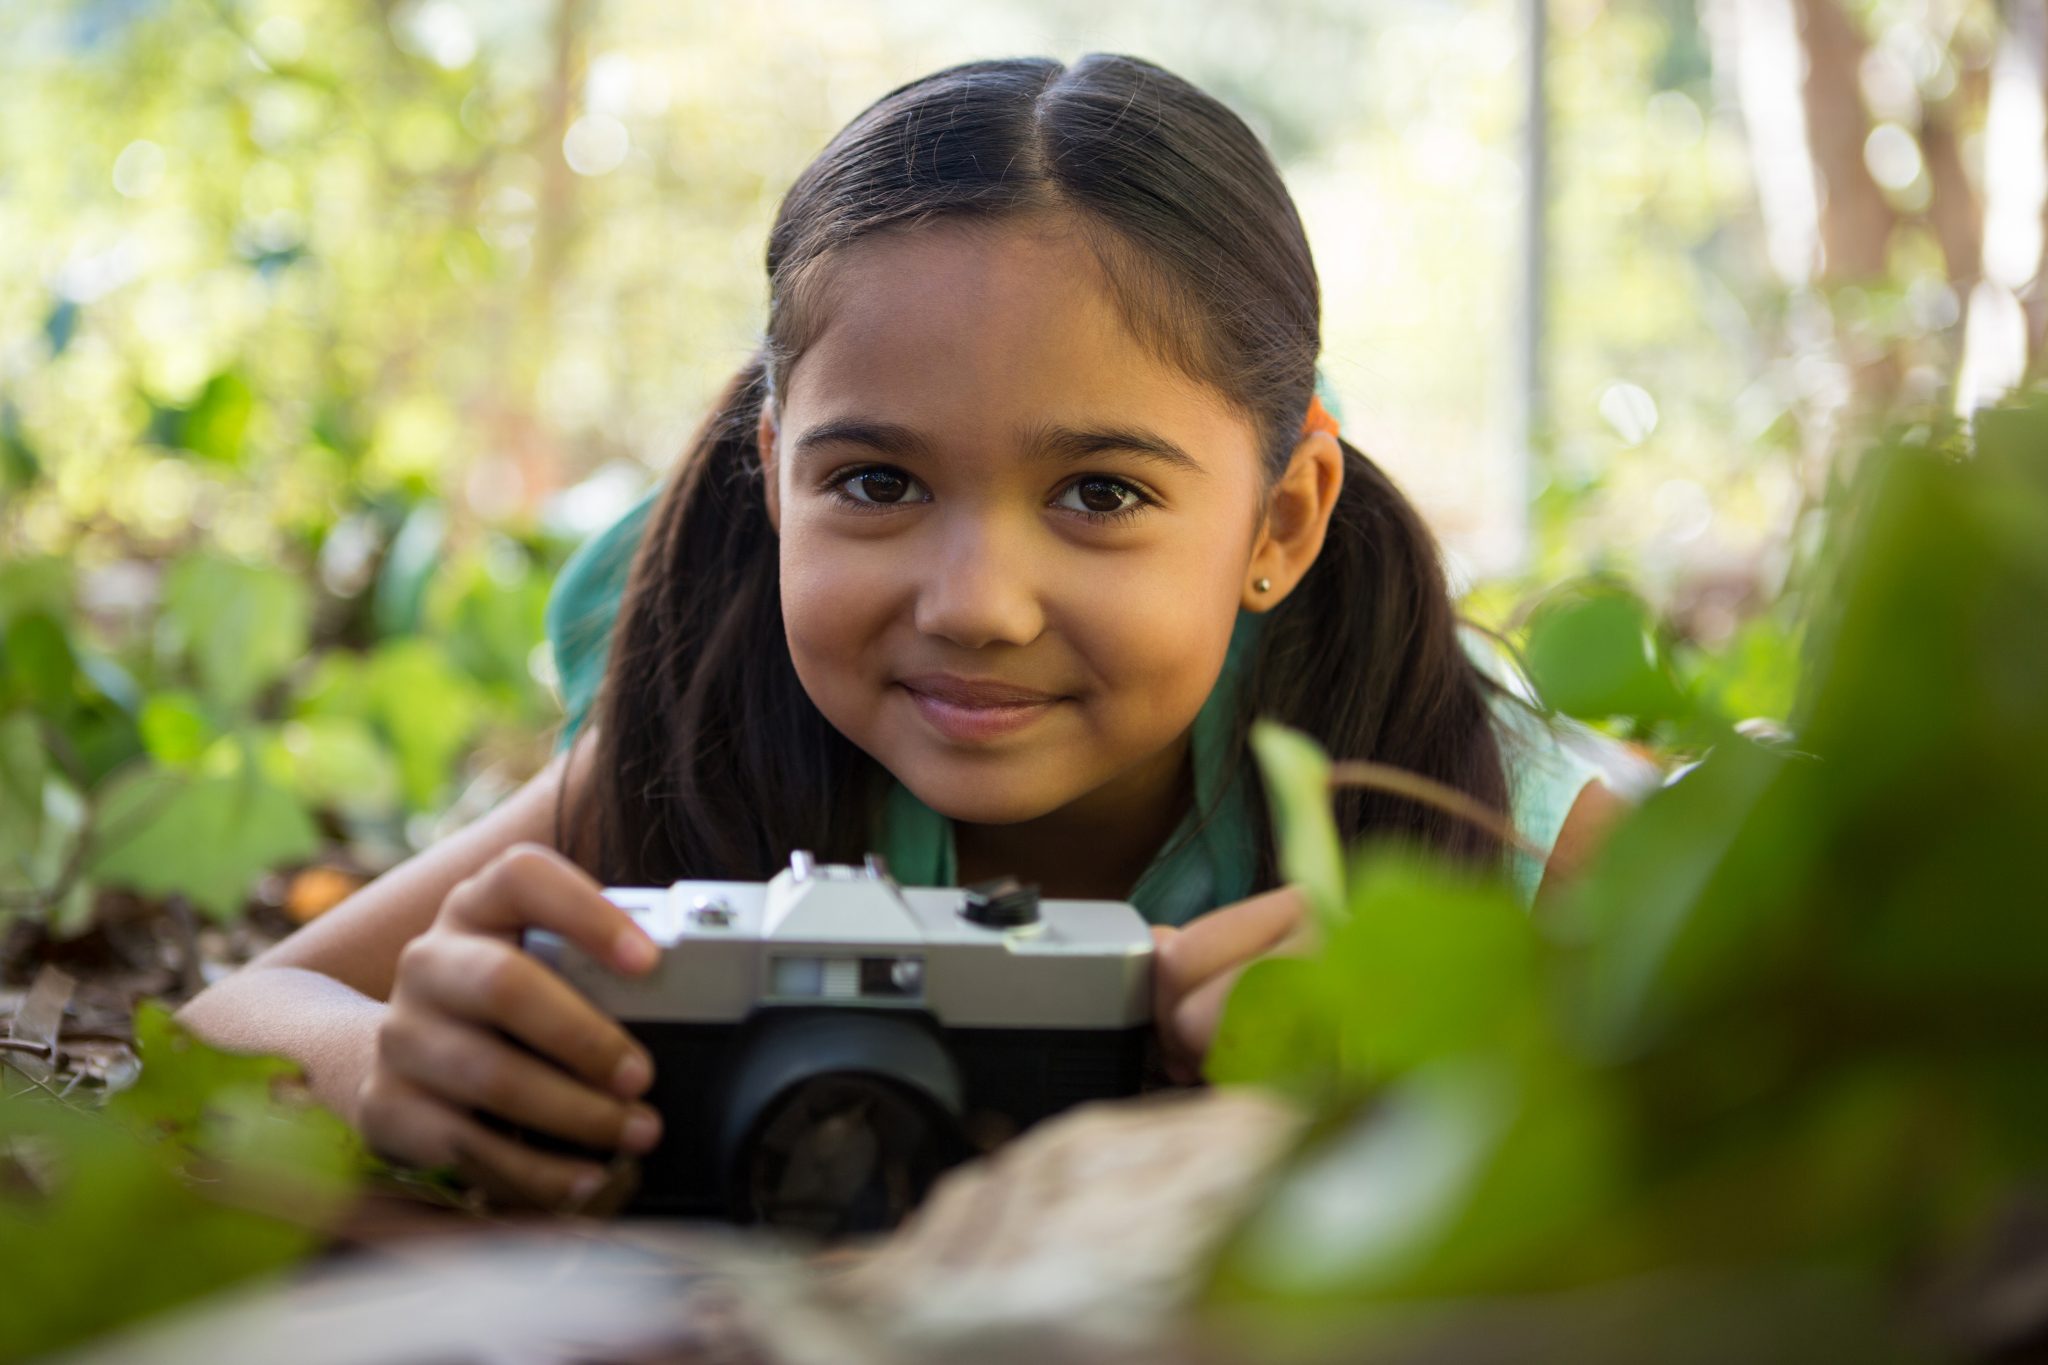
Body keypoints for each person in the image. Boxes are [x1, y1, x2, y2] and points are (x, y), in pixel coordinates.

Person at [175, 52, 1627, 1214]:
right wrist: (385, 1063)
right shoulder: (718, 726)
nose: (975, 605)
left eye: (1101, 492)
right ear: (773, 474)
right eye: (877, 482)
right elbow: (228, 1019)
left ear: (1282, 523)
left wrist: (1471, 1067)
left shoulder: (1470, 800)